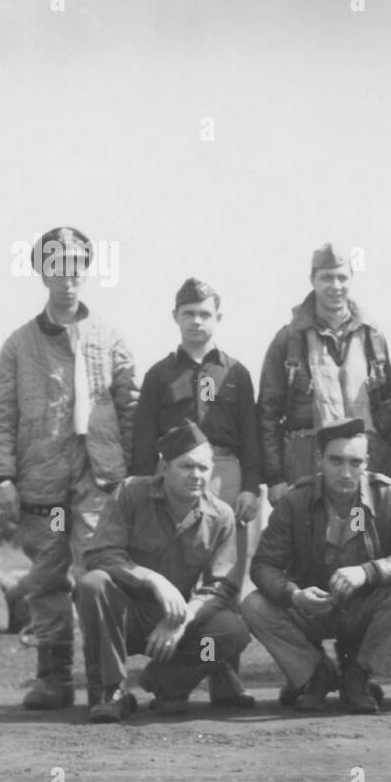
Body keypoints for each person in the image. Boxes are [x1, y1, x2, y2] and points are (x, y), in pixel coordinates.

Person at [0, 226, 138, 710]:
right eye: (56, 265)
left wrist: (130, 471)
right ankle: (54, 678)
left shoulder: (109, 337)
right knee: (48, 576)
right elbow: (2, 414)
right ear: (42, 271)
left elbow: (130, 406)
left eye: (75, 265)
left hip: (98, 477)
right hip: (42, 483)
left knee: (97, 571)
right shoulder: (17, 345)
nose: (67, 276)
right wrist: (3, 477)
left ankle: (105, 682)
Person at [131, 277, 260, 707]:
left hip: (226, 472)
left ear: (217, 318)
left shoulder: (237, 372)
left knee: (226, 582)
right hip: (175, 479)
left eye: (205, 314)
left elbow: (252, 434)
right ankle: (178, 679)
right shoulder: (158, 375)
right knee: (182, 572)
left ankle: (225, 679)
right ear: (175, 318)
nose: (197, 322)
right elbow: (145, 439)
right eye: (189, 314)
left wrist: (252, 489)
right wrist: (143, 488)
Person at [241, 418, 391, 714]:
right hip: (314, 607)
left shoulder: (386, 495)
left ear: (366, 463)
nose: (346, 472)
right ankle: (316, 674)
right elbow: (263, 565)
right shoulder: (296, 501)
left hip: (366, 605)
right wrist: (294, 595)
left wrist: (367, 572)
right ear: (320, 460)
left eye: (355, 463)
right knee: (254, 605)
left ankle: (358, 676)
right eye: (336, 461)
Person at [75, 423, 251, 723]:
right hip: (125, 617)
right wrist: (151, 578)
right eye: (186, 466)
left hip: (176, 622)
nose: (196, 476)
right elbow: (100, 554)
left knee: (231, 631)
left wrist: (183, 621)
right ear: (164, 467)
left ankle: (167, 682)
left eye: (203, 468)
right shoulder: (131, 493)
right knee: (92, 585)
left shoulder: (221, 515)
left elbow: (221, 586)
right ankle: (113, 689)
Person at [257, 243, 391, 503]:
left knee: (362, 533)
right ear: (312, 279)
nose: (335, 286)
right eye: (326, 277)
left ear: (351, 279)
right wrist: (275, 478)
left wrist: (385, 455)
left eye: (342, 277)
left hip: (363, 465)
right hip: (306, 464)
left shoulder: (373, 337)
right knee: (308, 539)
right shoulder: (289, 341)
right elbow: (268, 414)